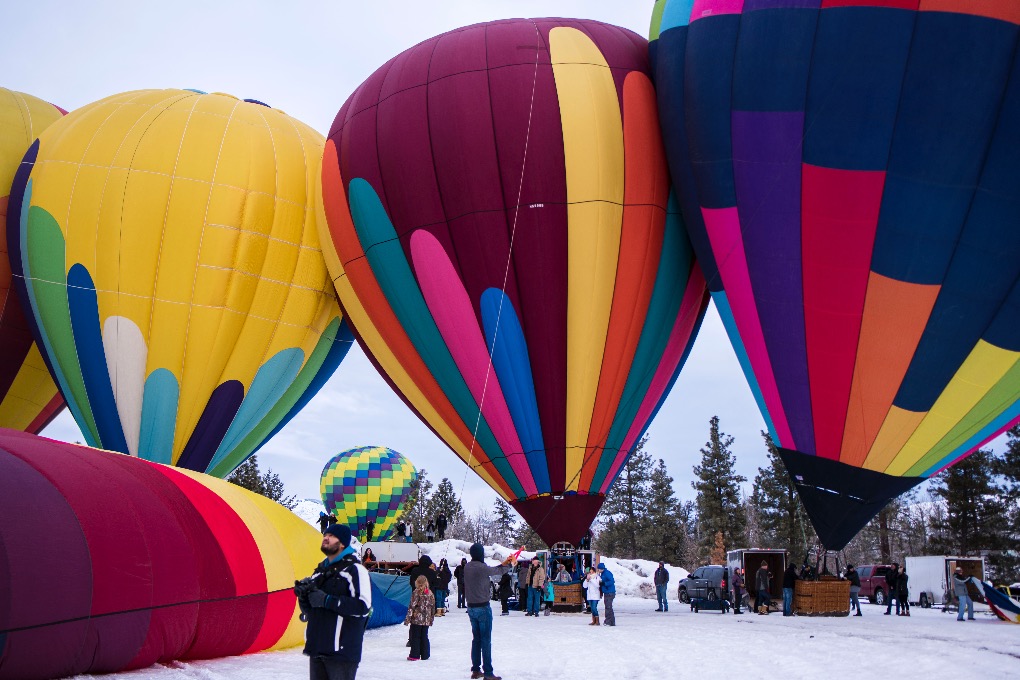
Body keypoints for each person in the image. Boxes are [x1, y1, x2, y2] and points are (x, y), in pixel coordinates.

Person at [298, 524, 372, 680]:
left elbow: (363, 606)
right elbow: (310, 610)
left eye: (331, 536)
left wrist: (326, 600)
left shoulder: (355, 570)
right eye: (325, 535)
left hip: (341, 653)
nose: (326, 538)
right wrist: (303, 596)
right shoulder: (319, 572)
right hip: (317, 648)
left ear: (343, 543)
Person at [464, 542, 515, 680]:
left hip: (471, 608)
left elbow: (493, 569)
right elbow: (496, 571)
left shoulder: (467, 567)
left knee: (476, 640)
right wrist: (510, 564)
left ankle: (475, 670)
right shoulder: (482, 567)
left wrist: (504, 563)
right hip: (483, 607)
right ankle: (488, 673)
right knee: (486, 641)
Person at [404, 575, 435, 661]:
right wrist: (431, 619)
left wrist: (408, 619)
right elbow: (433, 607)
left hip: (417, 619)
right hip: (426, 619)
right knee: (424, 636)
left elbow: (412, 606)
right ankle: (425, 655)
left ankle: (414, 655)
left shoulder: (416, 592)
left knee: (415, 637)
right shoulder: (430, 593)